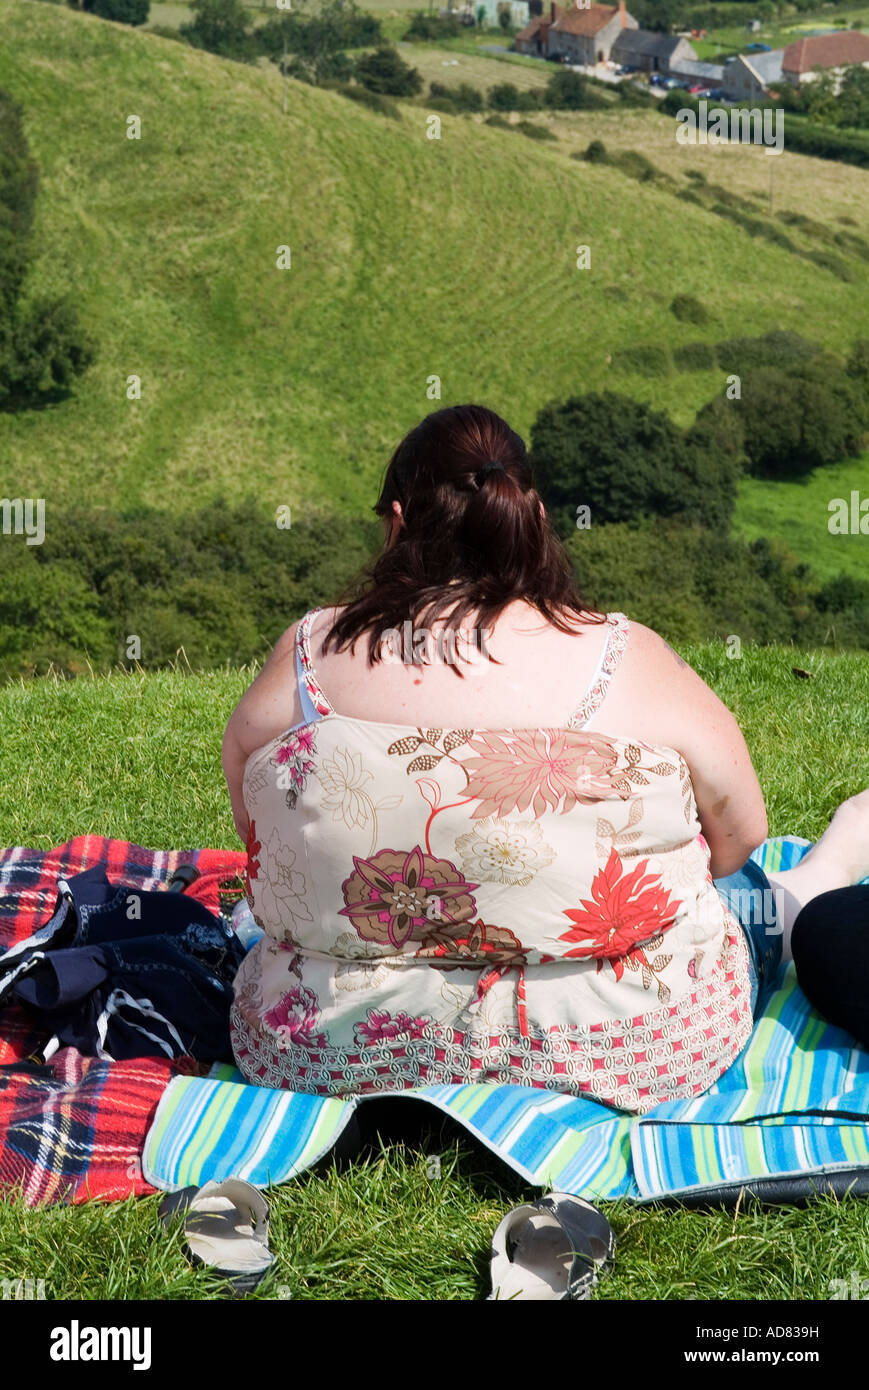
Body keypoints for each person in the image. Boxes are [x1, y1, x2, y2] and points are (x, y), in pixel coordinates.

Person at [221, 404, 869, 1114]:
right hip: (625, 1040)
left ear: (398, 520)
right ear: (526, 513)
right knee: (736, 893)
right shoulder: (625, 656)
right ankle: (822, 873)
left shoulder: (309, 652)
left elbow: (257, 837)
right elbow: (737, 838)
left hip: (325, 1050)